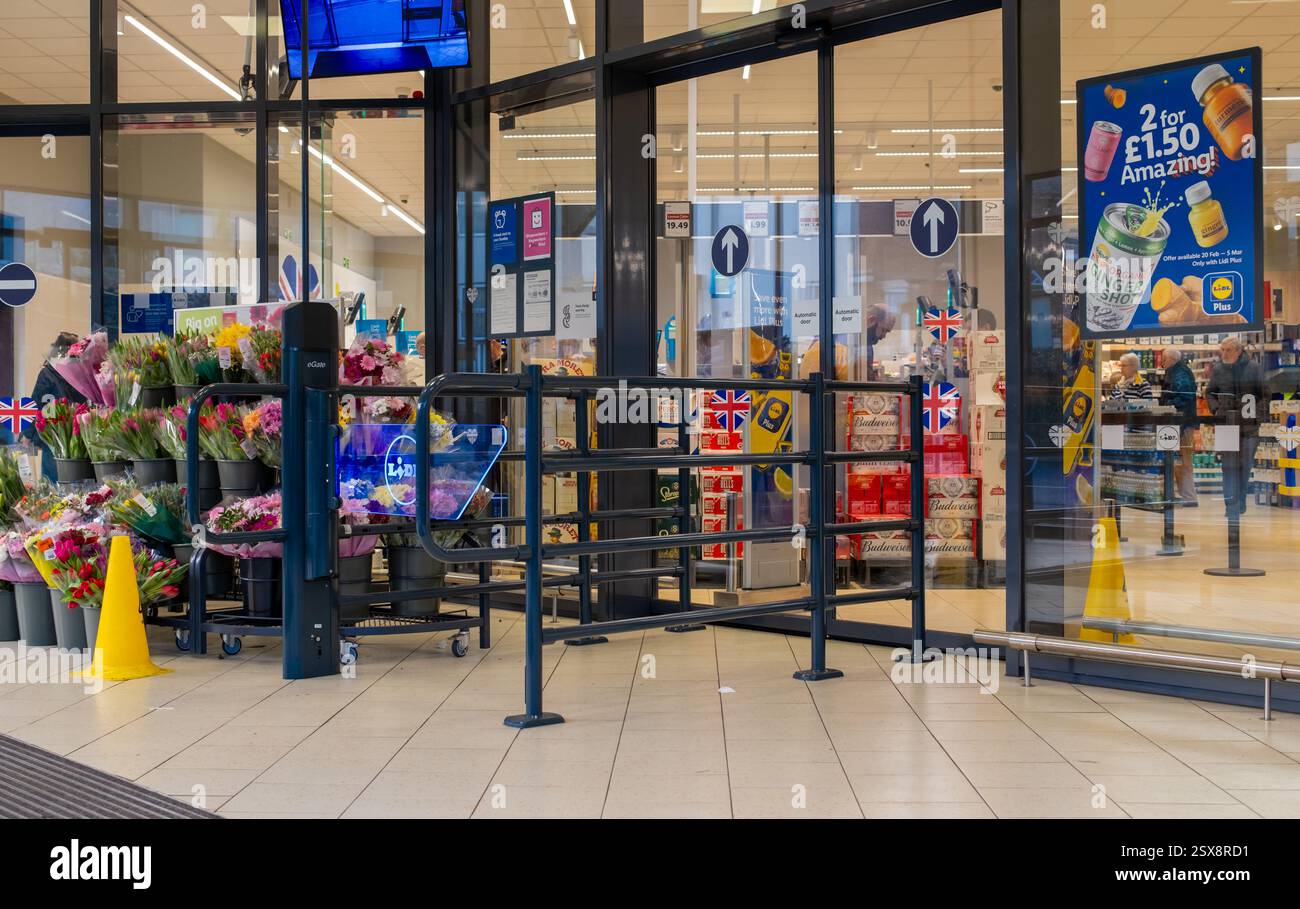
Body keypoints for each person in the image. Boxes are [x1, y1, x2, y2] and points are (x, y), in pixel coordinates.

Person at [1206, 336, 1265, 518]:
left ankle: (1240, 501)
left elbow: (1265, 394)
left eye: (1228, 350)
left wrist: (1257, 416)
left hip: (1249, 427)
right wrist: (1216, 409)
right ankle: (1231, 505)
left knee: (1244, 466)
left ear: (1239, 351)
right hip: (1226, 426)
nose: (1224, 354)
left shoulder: (1254, 368)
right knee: (1228, 467)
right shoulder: (1218, 369)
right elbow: (1210, 393)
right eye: (1222, 350)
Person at [1161, 346, 1200, 505]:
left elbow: (1185, 397)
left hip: (1182, 423)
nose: (1162, 363)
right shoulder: (1177, 371)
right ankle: (1184, 495)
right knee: (1180, 460)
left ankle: (1189, 497)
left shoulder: (1180, 373)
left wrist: (1168, 405)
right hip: (1180, 423)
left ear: (1171, 359)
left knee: (1183, 460)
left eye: (1164, 360)